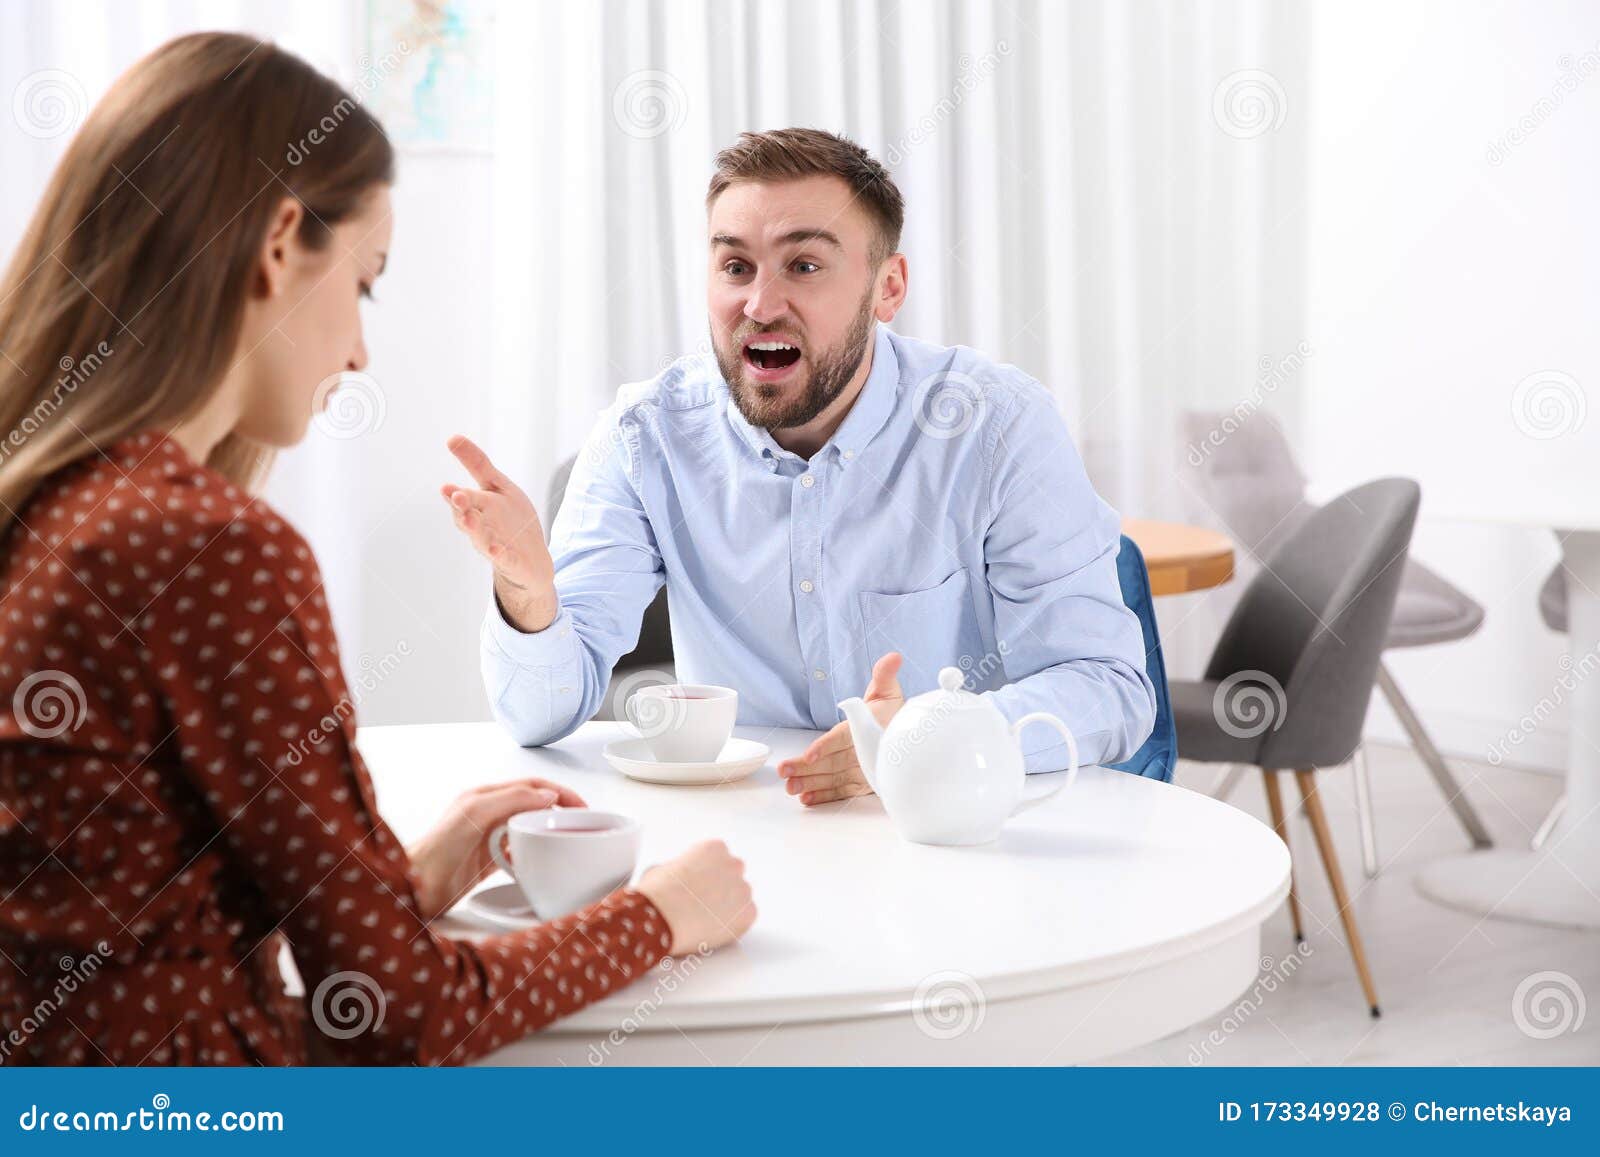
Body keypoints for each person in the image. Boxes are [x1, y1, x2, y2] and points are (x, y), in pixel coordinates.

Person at [0, 32, 753, 1067]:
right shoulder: (206, 547)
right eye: (365, 281)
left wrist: (389, 875)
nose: (358, 347)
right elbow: (407, 1013)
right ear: (277, 243)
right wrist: (665, 914)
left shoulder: (52, 512)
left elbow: (110, 927)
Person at [445, 128, 1156, 807]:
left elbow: (1108, 688)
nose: (759, 304)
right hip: (748, 845)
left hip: (952, 834)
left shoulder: (996, 429)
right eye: (735, 266)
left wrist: (922, 741)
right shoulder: (647, 439)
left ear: (888, 288)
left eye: (804, 265)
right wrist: (527, 593)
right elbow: (539, 716)